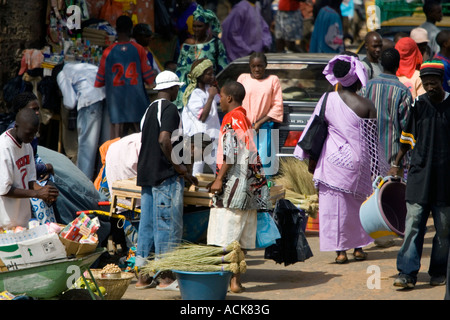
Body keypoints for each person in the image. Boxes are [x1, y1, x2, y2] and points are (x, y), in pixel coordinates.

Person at [294, 55, 389, 264]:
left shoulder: (327, 99)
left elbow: (312, 127)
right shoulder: (367, 105)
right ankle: (358, 248)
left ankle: (340, 252)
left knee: (335, 209)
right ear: (357, 78)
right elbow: (373, 141)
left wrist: (306, 157)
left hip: (332, 163)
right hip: (359, 164)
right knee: (359, 207)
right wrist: (379, 169)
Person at [389, 60, 450, 289]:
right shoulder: (419, 104)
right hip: (419, 175)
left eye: (433, 83)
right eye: (426, 83)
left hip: (445, 179)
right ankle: (406, 273)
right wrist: (396, 164)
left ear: (441, 81)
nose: (430, 87)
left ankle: (438, 271)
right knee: (414, 223)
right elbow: (406, 139)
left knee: (444, 229)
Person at [135, 71, 197, 290]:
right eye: (177, 88)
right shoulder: (170, 109)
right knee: (167, 227)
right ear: (173, 89)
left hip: (148, 176)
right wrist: (178, 167)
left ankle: (143, 278)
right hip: (164, 177)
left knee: (147, 227)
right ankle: (166, 279)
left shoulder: (149, 110)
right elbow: (164, 140)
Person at [207, 81, 270, 293]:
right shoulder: (245, 119)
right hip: (251, 184)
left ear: (229, 99)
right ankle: (236, 281)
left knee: (227, 235)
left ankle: (228, 281)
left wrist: (218, 179)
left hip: (236, 184)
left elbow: (231, 152)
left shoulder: (231, 118)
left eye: (221, 97)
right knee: (240, 235)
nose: (219, 100)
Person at [95, 15, 156, 139]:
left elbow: (99, 81)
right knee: (140, 141)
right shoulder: (138, 49)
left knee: (118, 142)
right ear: (131, 30)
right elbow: (149, 79)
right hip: (137, 105)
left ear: (116, 29)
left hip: (117, 106)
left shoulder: (108, 51)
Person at [0, 108, 59, 229]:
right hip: (4, 222)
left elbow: (30, 181)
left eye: (35, 133)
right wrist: (37, 193)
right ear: (16, 126)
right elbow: (5, 189)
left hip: (22, 220)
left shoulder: (27, 145)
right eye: (29, 133)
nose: (32, 137)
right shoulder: (4, 148)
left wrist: (46, 192)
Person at [360, 48, 413, 167]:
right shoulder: (403, 91)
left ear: (381, 63)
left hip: (369, 158)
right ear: (398, 65)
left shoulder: (367, 87)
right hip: (394, 161)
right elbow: (407, 127)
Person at [57, 62, 109, 181]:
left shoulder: (61, 74)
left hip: (89, 100)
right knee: (105, 144)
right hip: (108, 96)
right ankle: (103, 182)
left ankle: (82, 185)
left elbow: (69, 103)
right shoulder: (82, 66)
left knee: (87, 148)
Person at [237, 52, 283, 177]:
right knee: (243, 163)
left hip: (263, 128)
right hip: (244, 128)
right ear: (249, 66)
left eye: (260, 66)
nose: (257, 69)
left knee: (262, 163)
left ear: (266, 65)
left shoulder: (273, 80)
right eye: (254, 66)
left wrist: (259, 123)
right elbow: (236, 102)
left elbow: (277, 106)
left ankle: (263, 193)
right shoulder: (243, 78)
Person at [175, 5, 228, 108]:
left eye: (200, 26)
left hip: (208, 90)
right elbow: (180, 70)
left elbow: (223, 69)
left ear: (207, 27)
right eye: (194, 26)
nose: (196, 29)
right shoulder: (187, 45)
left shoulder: (215, 44)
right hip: (188, 90)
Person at [181, 58, 220, 176]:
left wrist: (216, 85)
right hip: (197, 139)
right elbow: (202, 117)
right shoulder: (194, 94)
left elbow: (222, 101)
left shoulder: (209, 90)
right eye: (209, 74)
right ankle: (193, 191)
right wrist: (211, 97)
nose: (212, 76)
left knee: (217, 167)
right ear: (199, 75)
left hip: (213, 135)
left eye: (213, 73)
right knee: (196, 169)